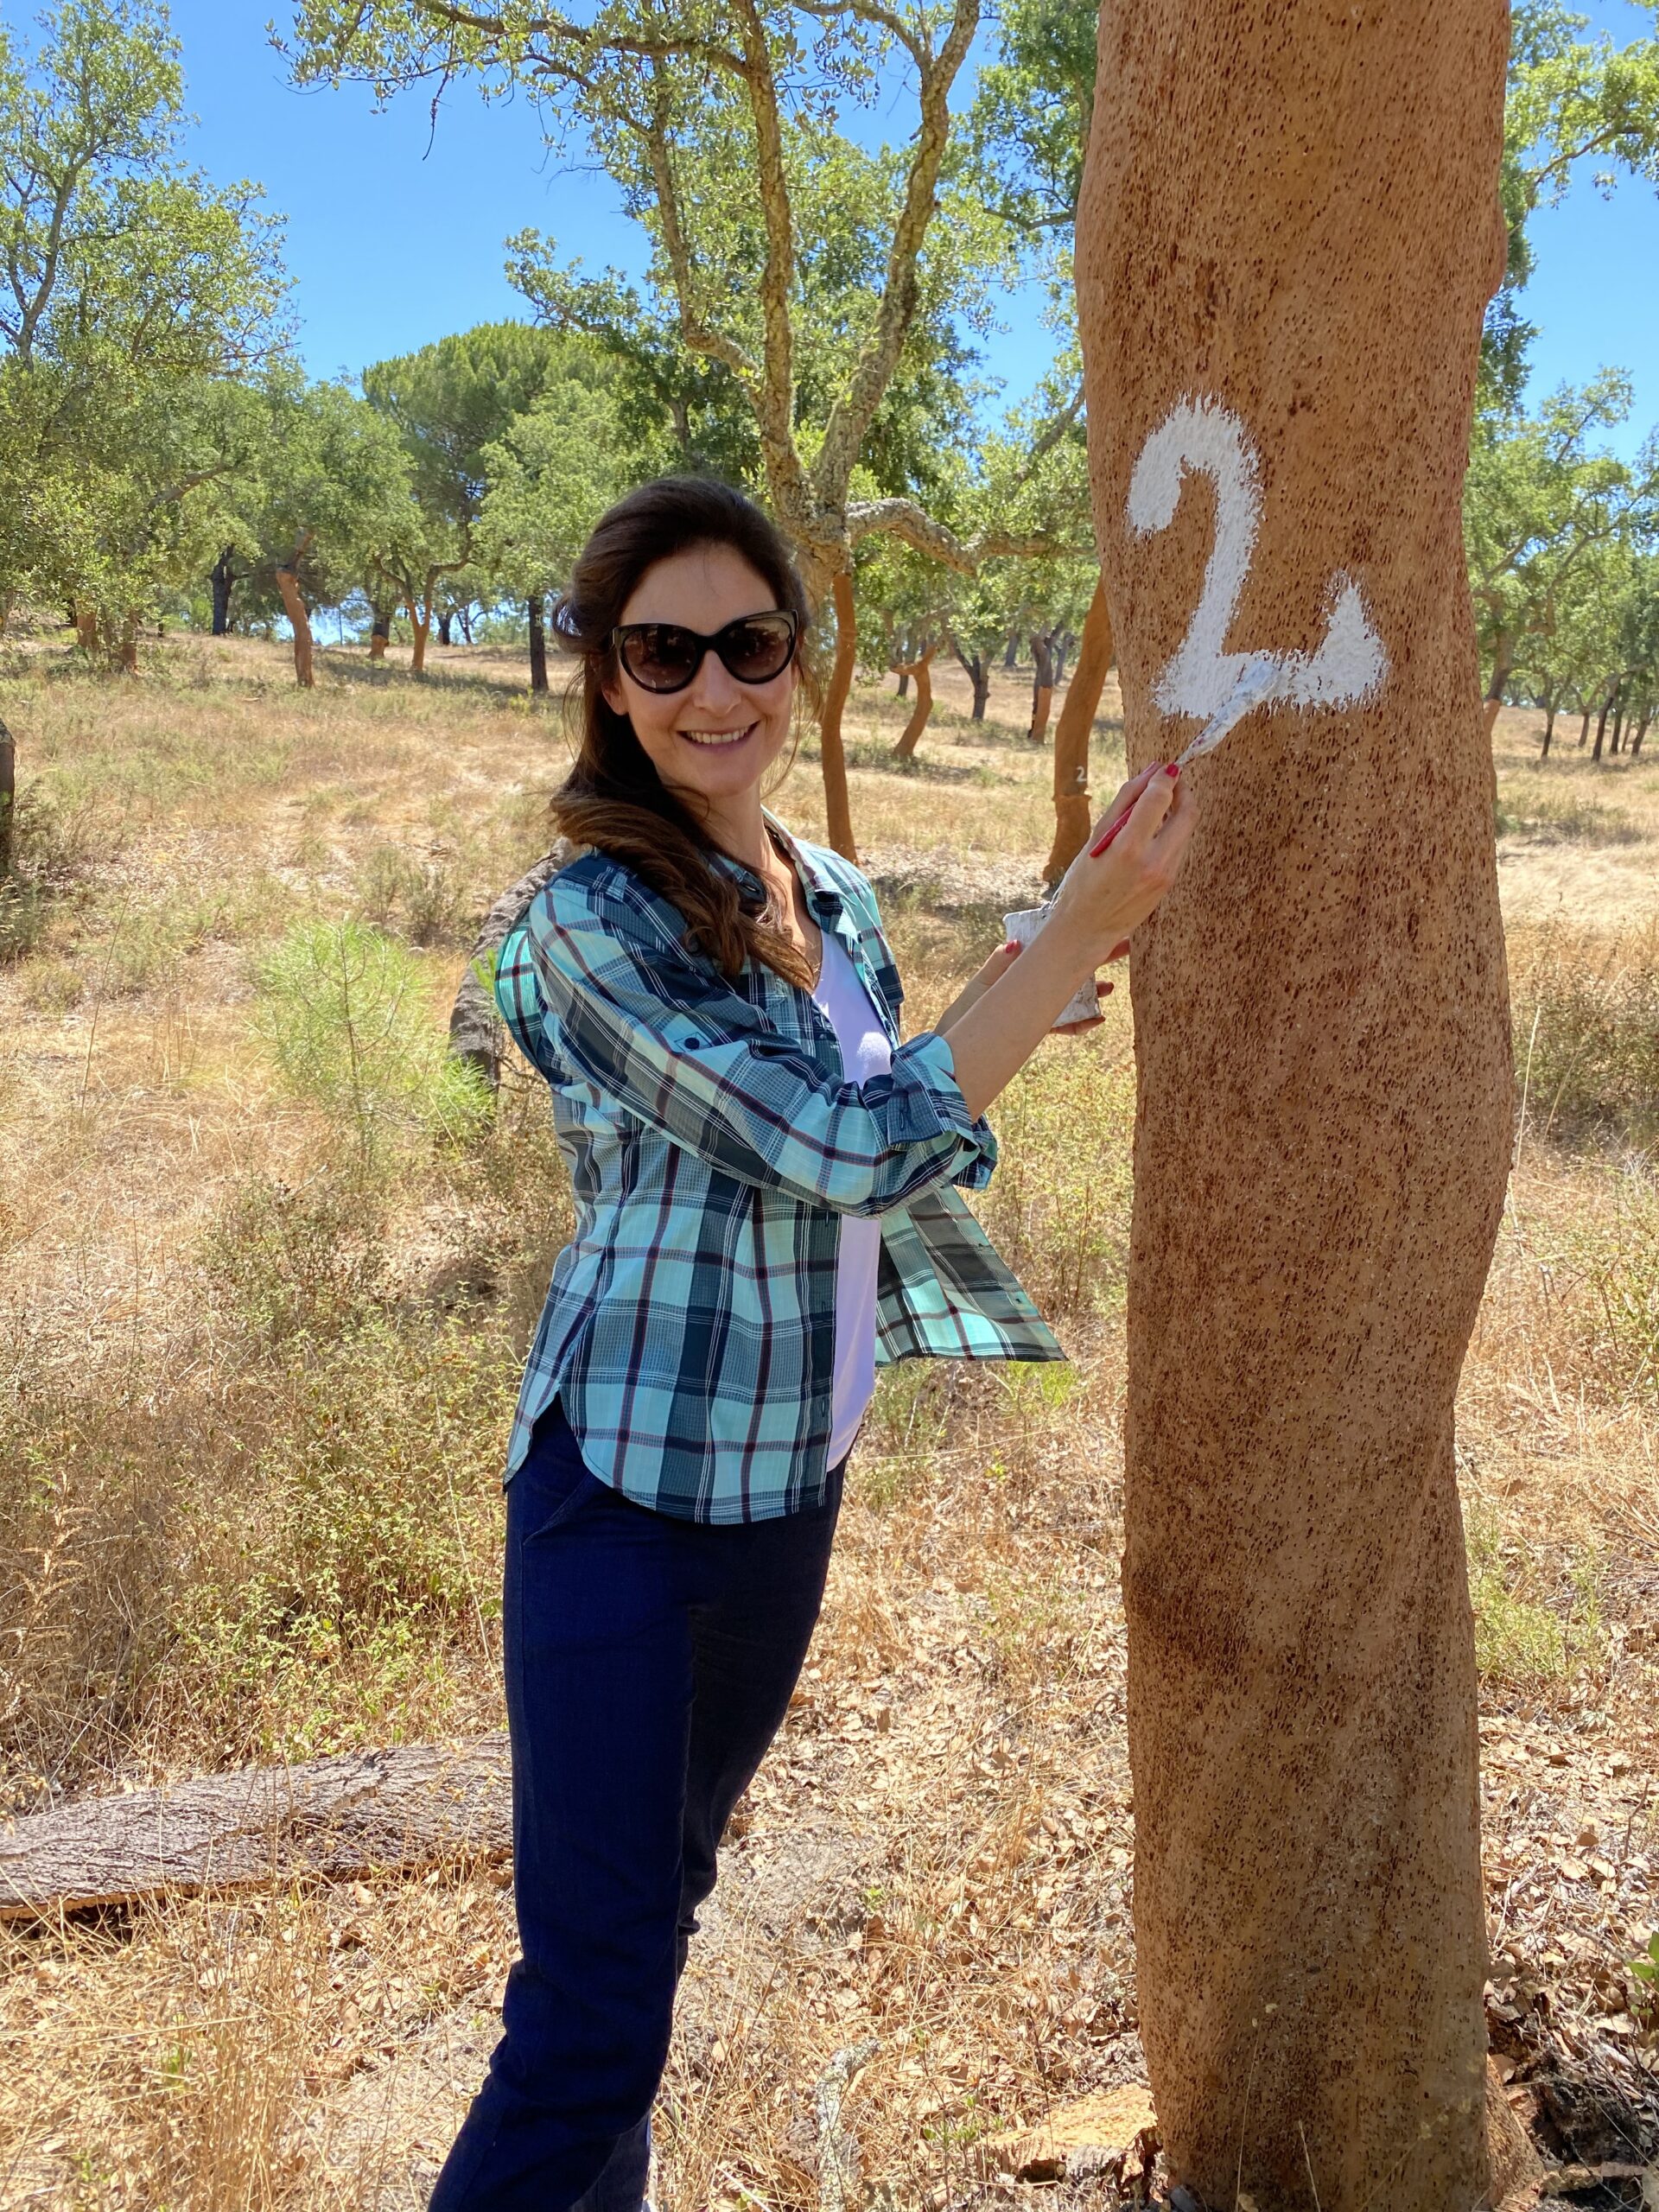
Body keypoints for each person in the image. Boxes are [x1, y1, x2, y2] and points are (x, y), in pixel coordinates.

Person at [429, 477, 1194, 2212]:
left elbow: (863, 1087)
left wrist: (1016, 986)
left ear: (800, 651)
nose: (718, 686)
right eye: (666, 650)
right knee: (592, 2011)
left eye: (750, 641)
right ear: (609, 680)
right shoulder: (585, 921)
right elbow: (844, 1147)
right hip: (626, 1502)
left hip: (784, 1479)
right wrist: (1076, 925)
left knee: (655, 1915)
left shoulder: (826, 887)